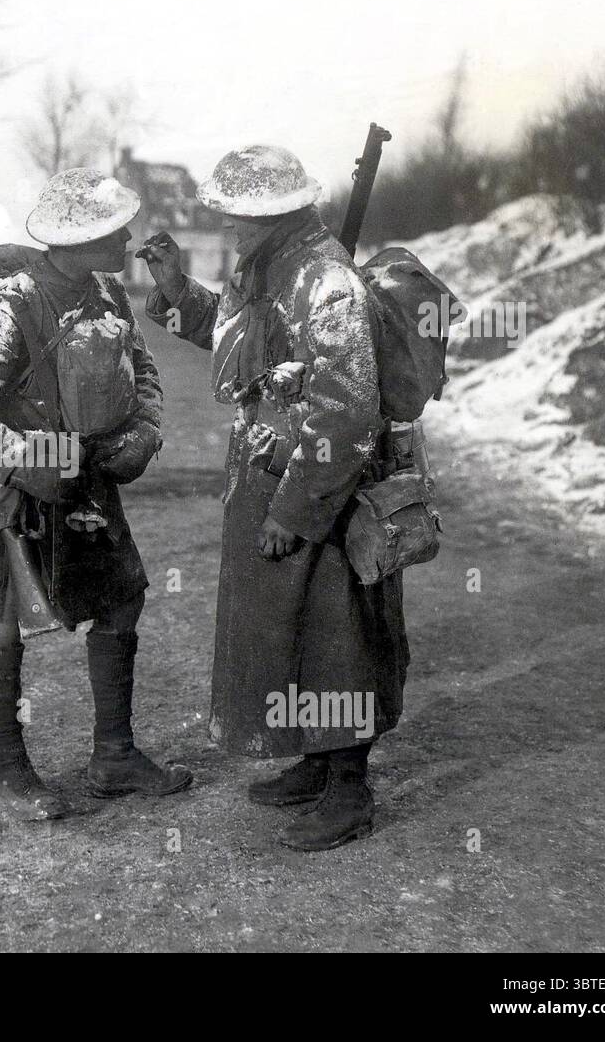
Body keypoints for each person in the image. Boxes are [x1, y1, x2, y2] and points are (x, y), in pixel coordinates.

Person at [139, 145, 408, 850]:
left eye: (237, 216)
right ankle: (318, 760)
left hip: (324, 486)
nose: (226, 226)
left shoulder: (327, 279)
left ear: (276, 214)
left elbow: (348, 413)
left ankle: (350, 788)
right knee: (295, 628)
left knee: (340, 630)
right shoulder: (264, 266)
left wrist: (294, 511)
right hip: (269, 473)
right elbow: (237, 347)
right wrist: (177, 288)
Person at [0, 168, 193, 821]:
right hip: (18, 490)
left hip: (91, 479)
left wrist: (147, 426)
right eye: (115, 229)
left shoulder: (106, 295)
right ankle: (13, 774)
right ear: (82, 238)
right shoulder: (13, 304)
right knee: (5, 618)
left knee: (122, 597)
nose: (129, 236)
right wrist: (24, 457)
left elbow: (144, 366)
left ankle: (114, 756)